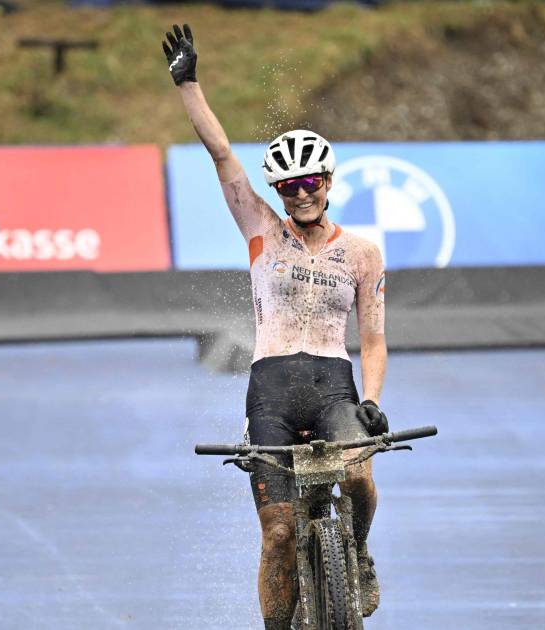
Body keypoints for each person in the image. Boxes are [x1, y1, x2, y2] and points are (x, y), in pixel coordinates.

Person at [161, 24, 390, 630]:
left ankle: (360, 553)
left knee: (360, 480)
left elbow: (372, 340)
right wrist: (188, 84)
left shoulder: (363, 254)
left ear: (328, 182)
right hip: (272, 394)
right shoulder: (261, 229)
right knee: (279, 535)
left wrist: (370, 401)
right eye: (289, 187)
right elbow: (222, 155)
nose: (301, 194)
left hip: (335, 388)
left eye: (310, 183)